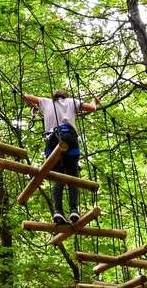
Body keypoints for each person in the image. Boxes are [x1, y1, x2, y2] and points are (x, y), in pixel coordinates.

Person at [21, 89, 99, 224]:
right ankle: (74, 210)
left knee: (58, 179)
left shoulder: (45, 102)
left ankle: (58, 212)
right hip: (70, 140)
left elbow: (25, 96)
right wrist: (95, 102)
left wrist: (33, 105)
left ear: (54, 96)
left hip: (52, 142)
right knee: (72, 178)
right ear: (65, 96)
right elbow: (91, 108)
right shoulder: (72, 101)